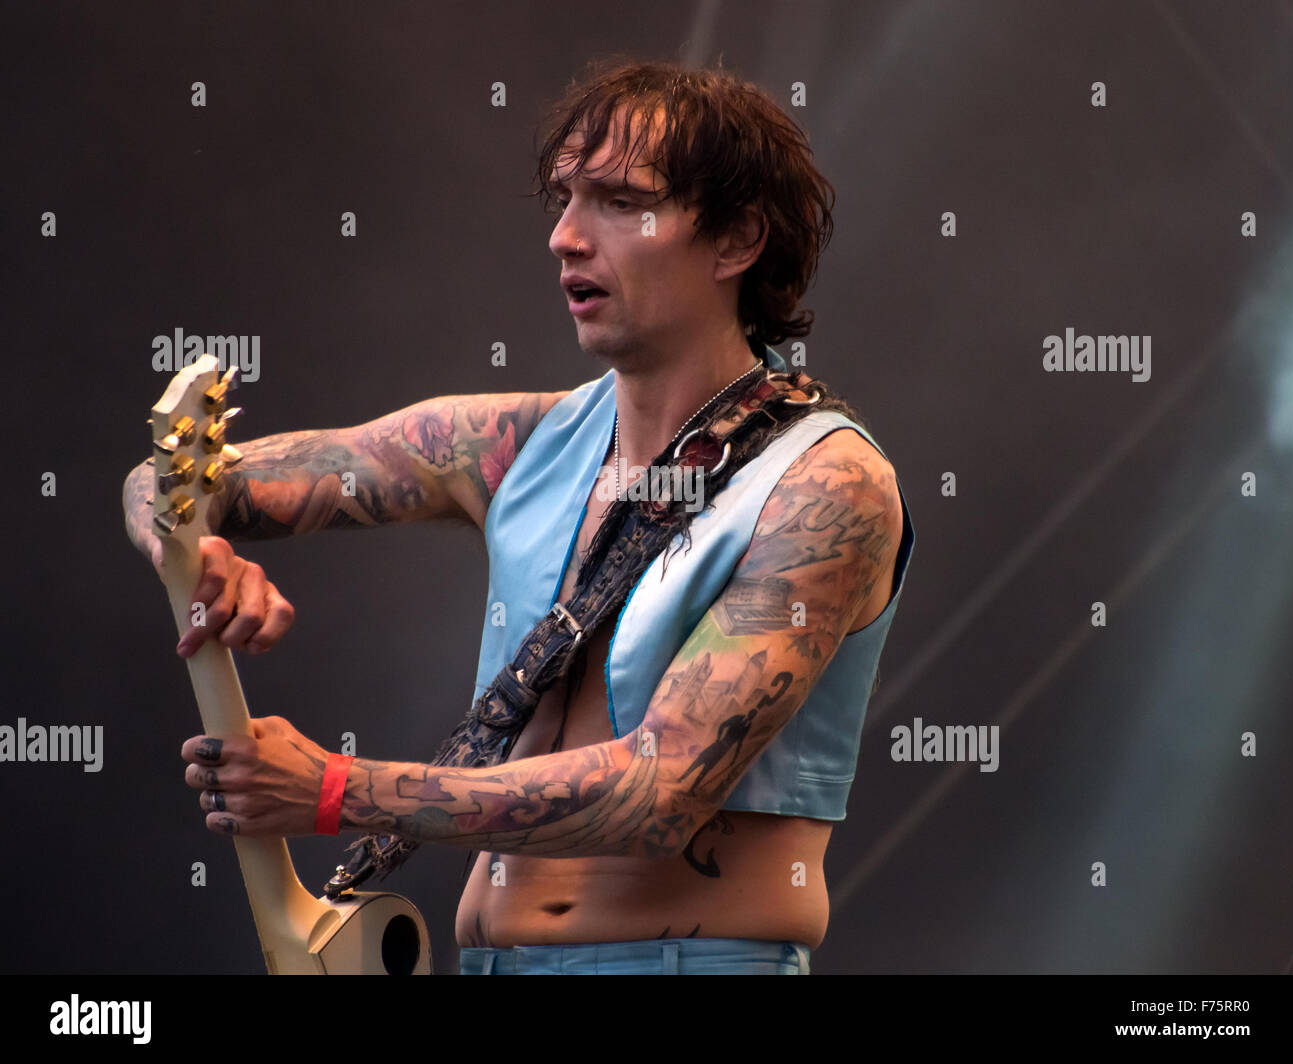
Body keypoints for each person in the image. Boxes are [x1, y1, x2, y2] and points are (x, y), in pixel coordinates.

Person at [123, 59, 915, 975]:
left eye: (621, 201)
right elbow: (177, 477)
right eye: (565, 199)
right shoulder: (514, 443)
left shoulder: (826, 485)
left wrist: (339, 788)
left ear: (737, 238)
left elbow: (658, 792)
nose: (566, 237)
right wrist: (190, 547)